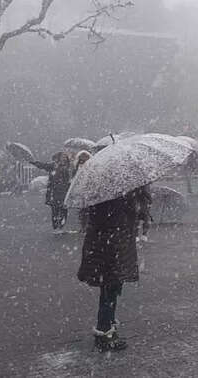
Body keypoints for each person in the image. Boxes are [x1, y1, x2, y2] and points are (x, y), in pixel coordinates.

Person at [77, 190, 139, 352]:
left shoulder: (97, 196)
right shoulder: (114, 199)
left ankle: (107, 329)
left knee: (109, 292)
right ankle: (104, 334)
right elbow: (119, 223)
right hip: (111, 252)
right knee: (109, 293)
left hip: (104, 251)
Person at [31, 151, 73, 231]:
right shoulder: (53, 165)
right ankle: (55, 226)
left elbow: (71, 177)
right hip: (54, 191)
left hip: (65, 191)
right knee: (55, 209)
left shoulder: (69, 167)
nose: (64, 158)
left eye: (65, 156)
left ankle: (61, 226)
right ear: (58, 157)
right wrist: (34, 162)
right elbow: (43, 165)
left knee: (64, 209)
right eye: (62, 156)